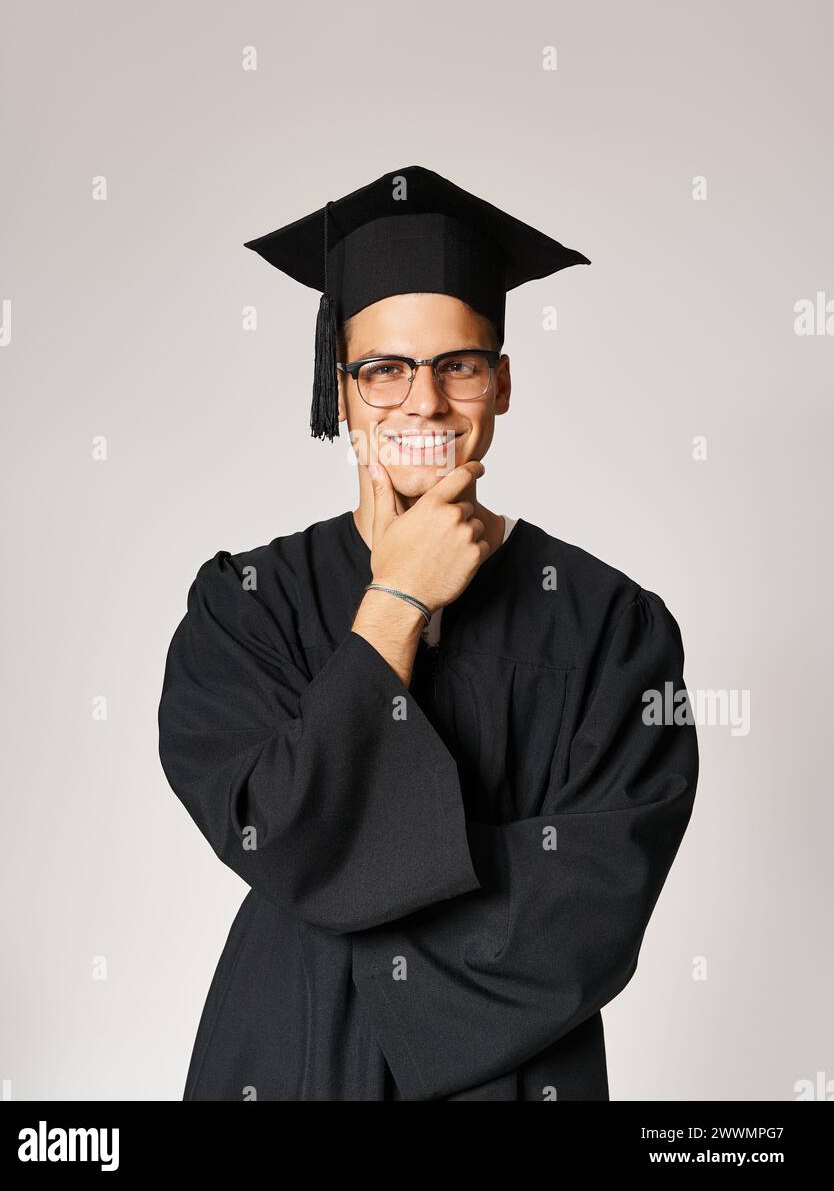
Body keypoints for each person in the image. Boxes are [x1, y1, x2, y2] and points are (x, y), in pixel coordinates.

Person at [157, 164, 699, 1101]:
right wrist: (397, 600)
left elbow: (597, 900)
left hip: (515, 1072)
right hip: (286, 1055)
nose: (424, 401)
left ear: (502, 382)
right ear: (341, 391)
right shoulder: (248, 604)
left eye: (459, 364)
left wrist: (347, 900)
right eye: (384, 370)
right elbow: (271, 827)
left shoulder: (611, 623)